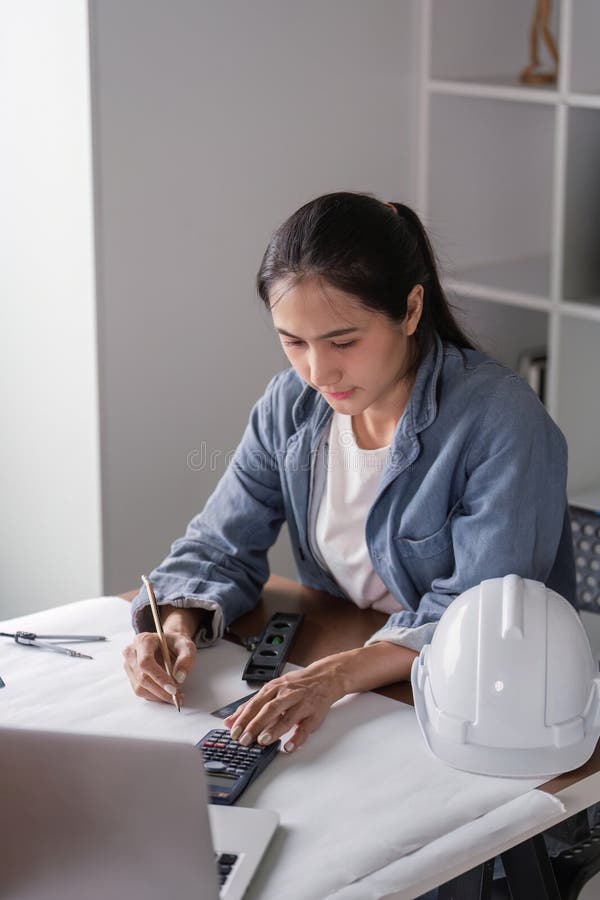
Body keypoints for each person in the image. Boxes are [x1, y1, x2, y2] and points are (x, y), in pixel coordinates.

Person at [123, 191, 576, 755]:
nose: (317, 371)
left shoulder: (501, 423)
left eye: (343, 341)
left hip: (482, 707)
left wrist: (334, 677)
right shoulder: (291, 405)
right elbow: (221, 544)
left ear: (411, 310)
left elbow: (477, 618)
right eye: (293, 342)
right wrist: (173, 629)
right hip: (358, 688)